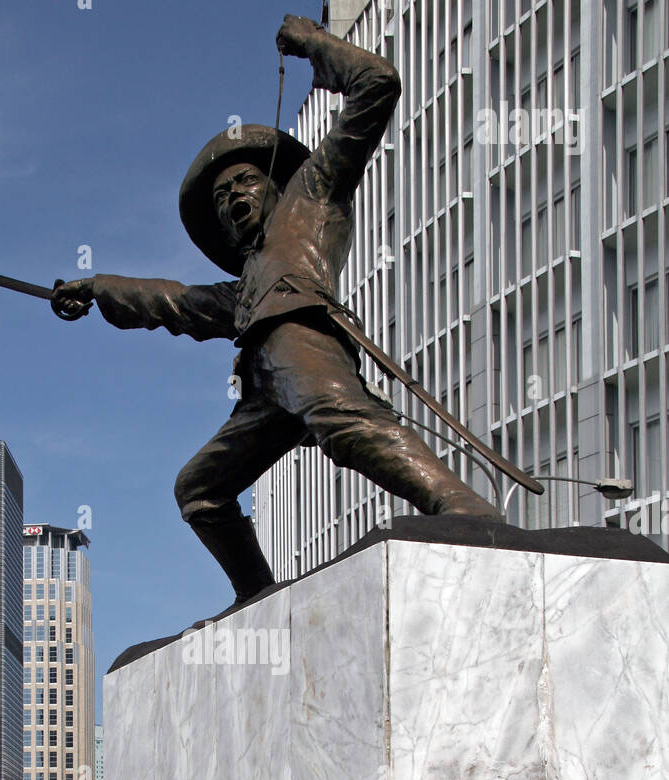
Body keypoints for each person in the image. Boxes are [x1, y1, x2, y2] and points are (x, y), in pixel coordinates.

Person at [51, 13, 501, 604]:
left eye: (243, 183)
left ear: (274, 183)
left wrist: (314, 45)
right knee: (200, 487)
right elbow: (173, 301)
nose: (233, 197)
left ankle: (462, 508)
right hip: (265, 385)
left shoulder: (312, 195)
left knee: (340, 419)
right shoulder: (241, 292)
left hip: (303, 342)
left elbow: (378, 82)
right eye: (221, 198)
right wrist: (95, 287)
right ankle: (257, 594)